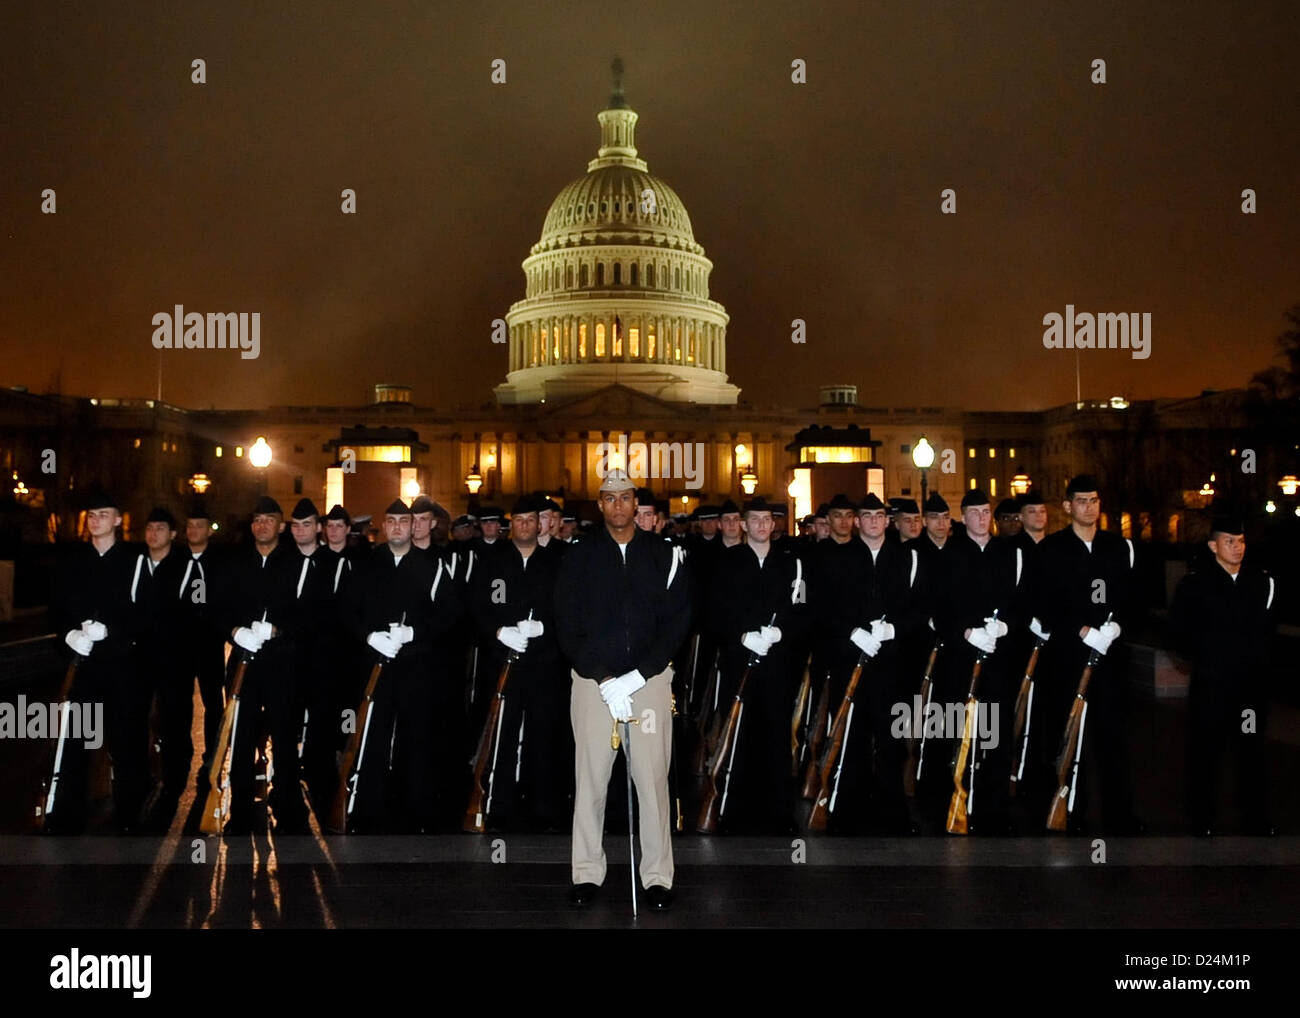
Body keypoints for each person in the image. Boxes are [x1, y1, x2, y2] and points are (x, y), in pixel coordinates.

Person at [554, 469, 691, 910]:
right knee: (591, 780)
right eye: (609, 499)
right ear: (599, 505)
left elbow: (679, 620)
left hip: (648, 683)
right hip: (595, 684)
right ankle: (587, 872)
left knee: (651, 781)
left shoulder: (664, 554)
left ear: (637, 503)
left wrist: (641, 673)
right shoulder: (579, 556)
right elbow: (567, 622)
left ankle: (656, 876)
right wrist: (603, 676)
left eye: (625, 498)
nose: (618, 506)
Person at [341, 500, 460, 832]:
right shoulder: (365, 564)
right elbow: (346, 611)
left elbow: (450, 614)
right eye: (390, 521)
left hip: (417, 666)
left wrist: (415, 632)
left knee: (417, 737)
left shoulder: (433, 566)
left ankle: (415, 811)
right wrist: (369, 637)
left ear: (413, 526)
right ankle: (368, 809)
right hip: (374, 662)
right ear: (383, 526)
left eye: (402, 521)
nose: (396, 527)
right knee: (371, 734)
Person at [1032, 475, 1140, 834]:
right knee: (1068, 739)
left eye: (1094, 500)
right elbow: (1045, 606)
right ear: (1067, 506)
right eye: (1081, 501)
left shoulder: (1118, 547)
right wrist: (1082, 631)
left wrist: (1115, 627)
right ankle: (1070, 811)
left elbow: (1131, 598)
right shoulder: (1051, 550)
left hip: (1108, 659)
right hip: (1066, 659)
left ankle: (1119, 815)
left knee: (1113, 740)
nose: (1089, 507)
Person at [704, 496, 808, 833]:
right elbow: (712, 612)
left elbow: (804, 608)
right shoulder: (725, 563)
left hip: (778, 664)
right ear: (744, 525)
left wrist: (781, 631)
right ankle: (735, 812)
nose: (763, 525)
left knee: (776, 735)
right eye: (756, 520)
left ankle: (779, 813)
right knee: (739, 734)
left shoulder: (792, 564)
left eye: (768, 519)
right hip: (739, 660)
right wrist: (741, 636)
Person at [1169, 516, 1277, 836]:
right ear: (1213, 545)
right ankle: (1202, 819)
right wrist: (1202, 659)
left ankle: (1253, 817)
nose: (1237, 547)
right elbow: (1178, 631)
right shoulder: (1195, 584)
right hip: (1211, 686)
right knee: (1206, 753)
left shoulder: (1260, 582)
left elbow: (1269, 630)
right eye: (1229, 541)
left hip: (1250, 689)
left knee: (1251, 752)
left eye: (1241, 541)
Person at [49, 489, 149, 833]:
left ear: (118, 520)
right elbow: (58, 609)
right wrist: (69, 636)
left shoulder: (136, 562)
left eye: (104, 514)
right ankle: (69, 814)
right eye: (91, 515)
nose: (96, 521)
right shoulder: (74, 561)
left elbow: (148, 614)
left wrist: (113, 631)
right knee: (77, 742)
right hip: (85, 665)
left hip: (122, 666)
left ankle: (128, 815)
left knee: (126, 743)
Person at [468, 494, 570, 830]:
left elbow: (570, 611)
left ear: (540, 524)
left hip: (545, 664)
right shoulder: (492, 561)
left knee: (544, 734)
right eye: (520, 521)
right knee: (503, 733)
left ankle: (544, 807)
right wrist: (498, 631)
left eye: (532, 520)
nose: (526, 526)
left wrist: (545, 627)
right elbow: (476, 607)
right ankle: (499, 805)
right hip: (503, 662)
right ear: (511, 526)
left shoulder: (557, 562)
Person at [215, 496, 308, 834]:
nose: (262, 525)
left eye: (269, 519)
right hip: (244, 661)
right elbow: (218, 607)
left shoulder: (297, 562)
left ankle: (289, 810)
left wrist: (279, 631)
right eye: (257, 519)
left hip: (283, 663)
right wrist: (235, 631)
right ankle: (239, 813)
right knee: (241, 738)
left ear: (281, 526)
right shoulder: (236, 562)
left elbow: (309, 612)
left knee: (284, 739)